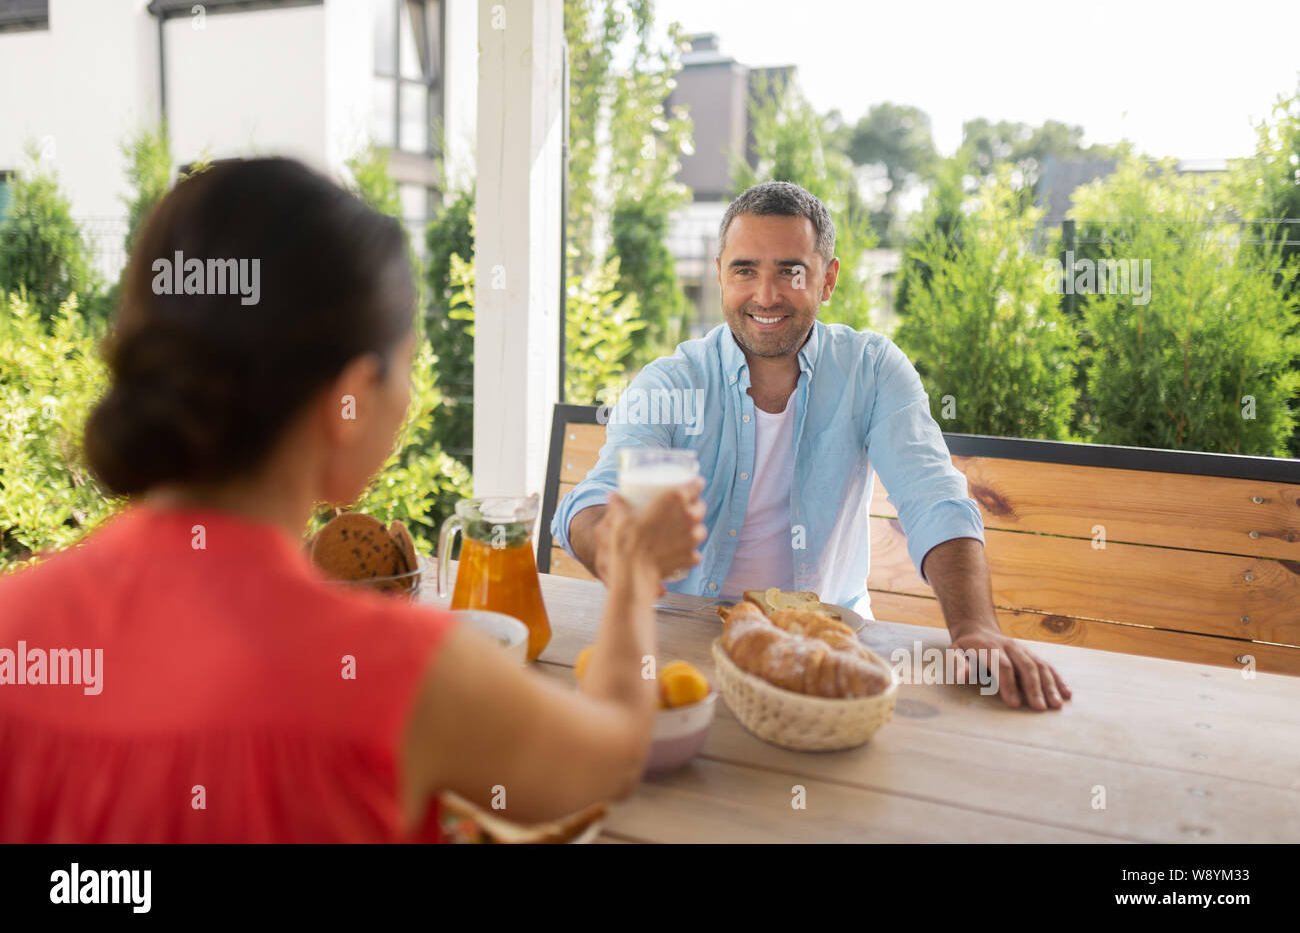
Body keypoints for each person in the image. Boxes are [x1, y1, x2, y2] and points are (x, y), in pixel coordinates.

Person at [0, 158, 706, 842]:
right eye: (405, 365)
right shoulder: (406, 676)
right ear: (350, 397)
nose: (407, 399)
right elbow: (611, 755)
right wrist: (633, 574)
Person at [552, 180, 1070, 711]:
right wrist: (614, 545)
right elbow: (592, 499)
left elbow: (933, 497)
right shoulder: (671, 383)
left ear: (828, 279)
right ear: (720, 276)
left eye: (791, 271)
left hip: (828, 648)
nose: (766, 295)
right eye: (745, 269)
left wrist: (974, 629)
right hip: (684, 646)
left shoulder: (870, 370)